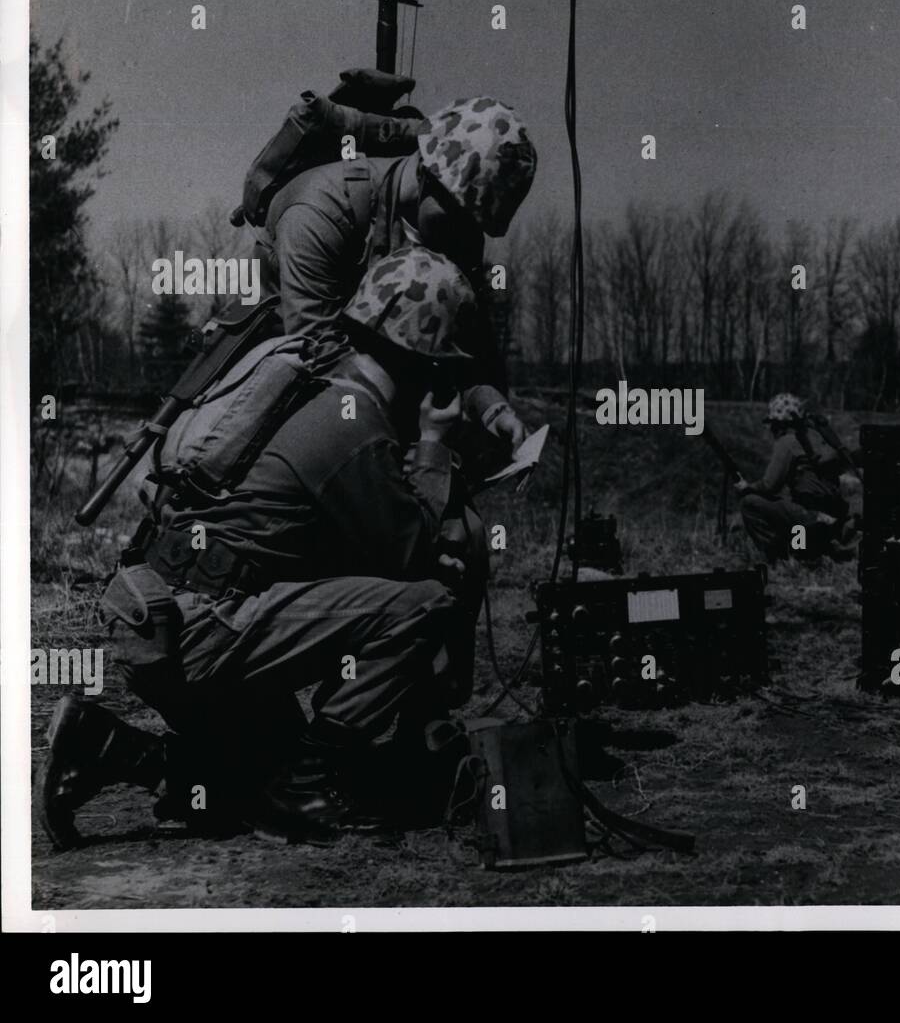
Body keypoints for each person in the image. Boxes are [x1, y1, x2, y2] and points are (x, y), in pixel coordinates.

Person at [39, 247, 493, 849]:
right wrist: (435, 446)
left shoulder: (311, 385)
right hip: (206, 631)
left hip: (154, 621)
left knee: (242, 787)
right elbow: (411, 557)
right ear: (424, 359)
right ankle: (306, 784)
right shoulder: (352, 420)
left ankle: (102, 747)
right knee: (426, 603)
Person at [257, 94, 536, 452]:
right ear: (425, 171)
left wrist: (492, 409)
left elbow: (468, 348)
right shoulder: (321, 211)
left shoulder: (453, 230)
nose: (467, 236)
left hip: (371, 393)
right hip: (285, 385)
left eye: (478, 225)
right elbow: (312, 357)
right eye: (462, 215)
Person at [736, 394, 854, 564]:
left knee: (750, 503)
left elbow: (769, 485)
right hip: (834, 510)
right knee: (785, 503)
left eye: (772, 425)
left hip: (811, 512)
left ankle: (778, 557)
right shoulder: (815, 437)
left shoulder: (787, 442)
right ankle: (817, 544)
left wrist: (746, 487)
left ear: (778, 424)